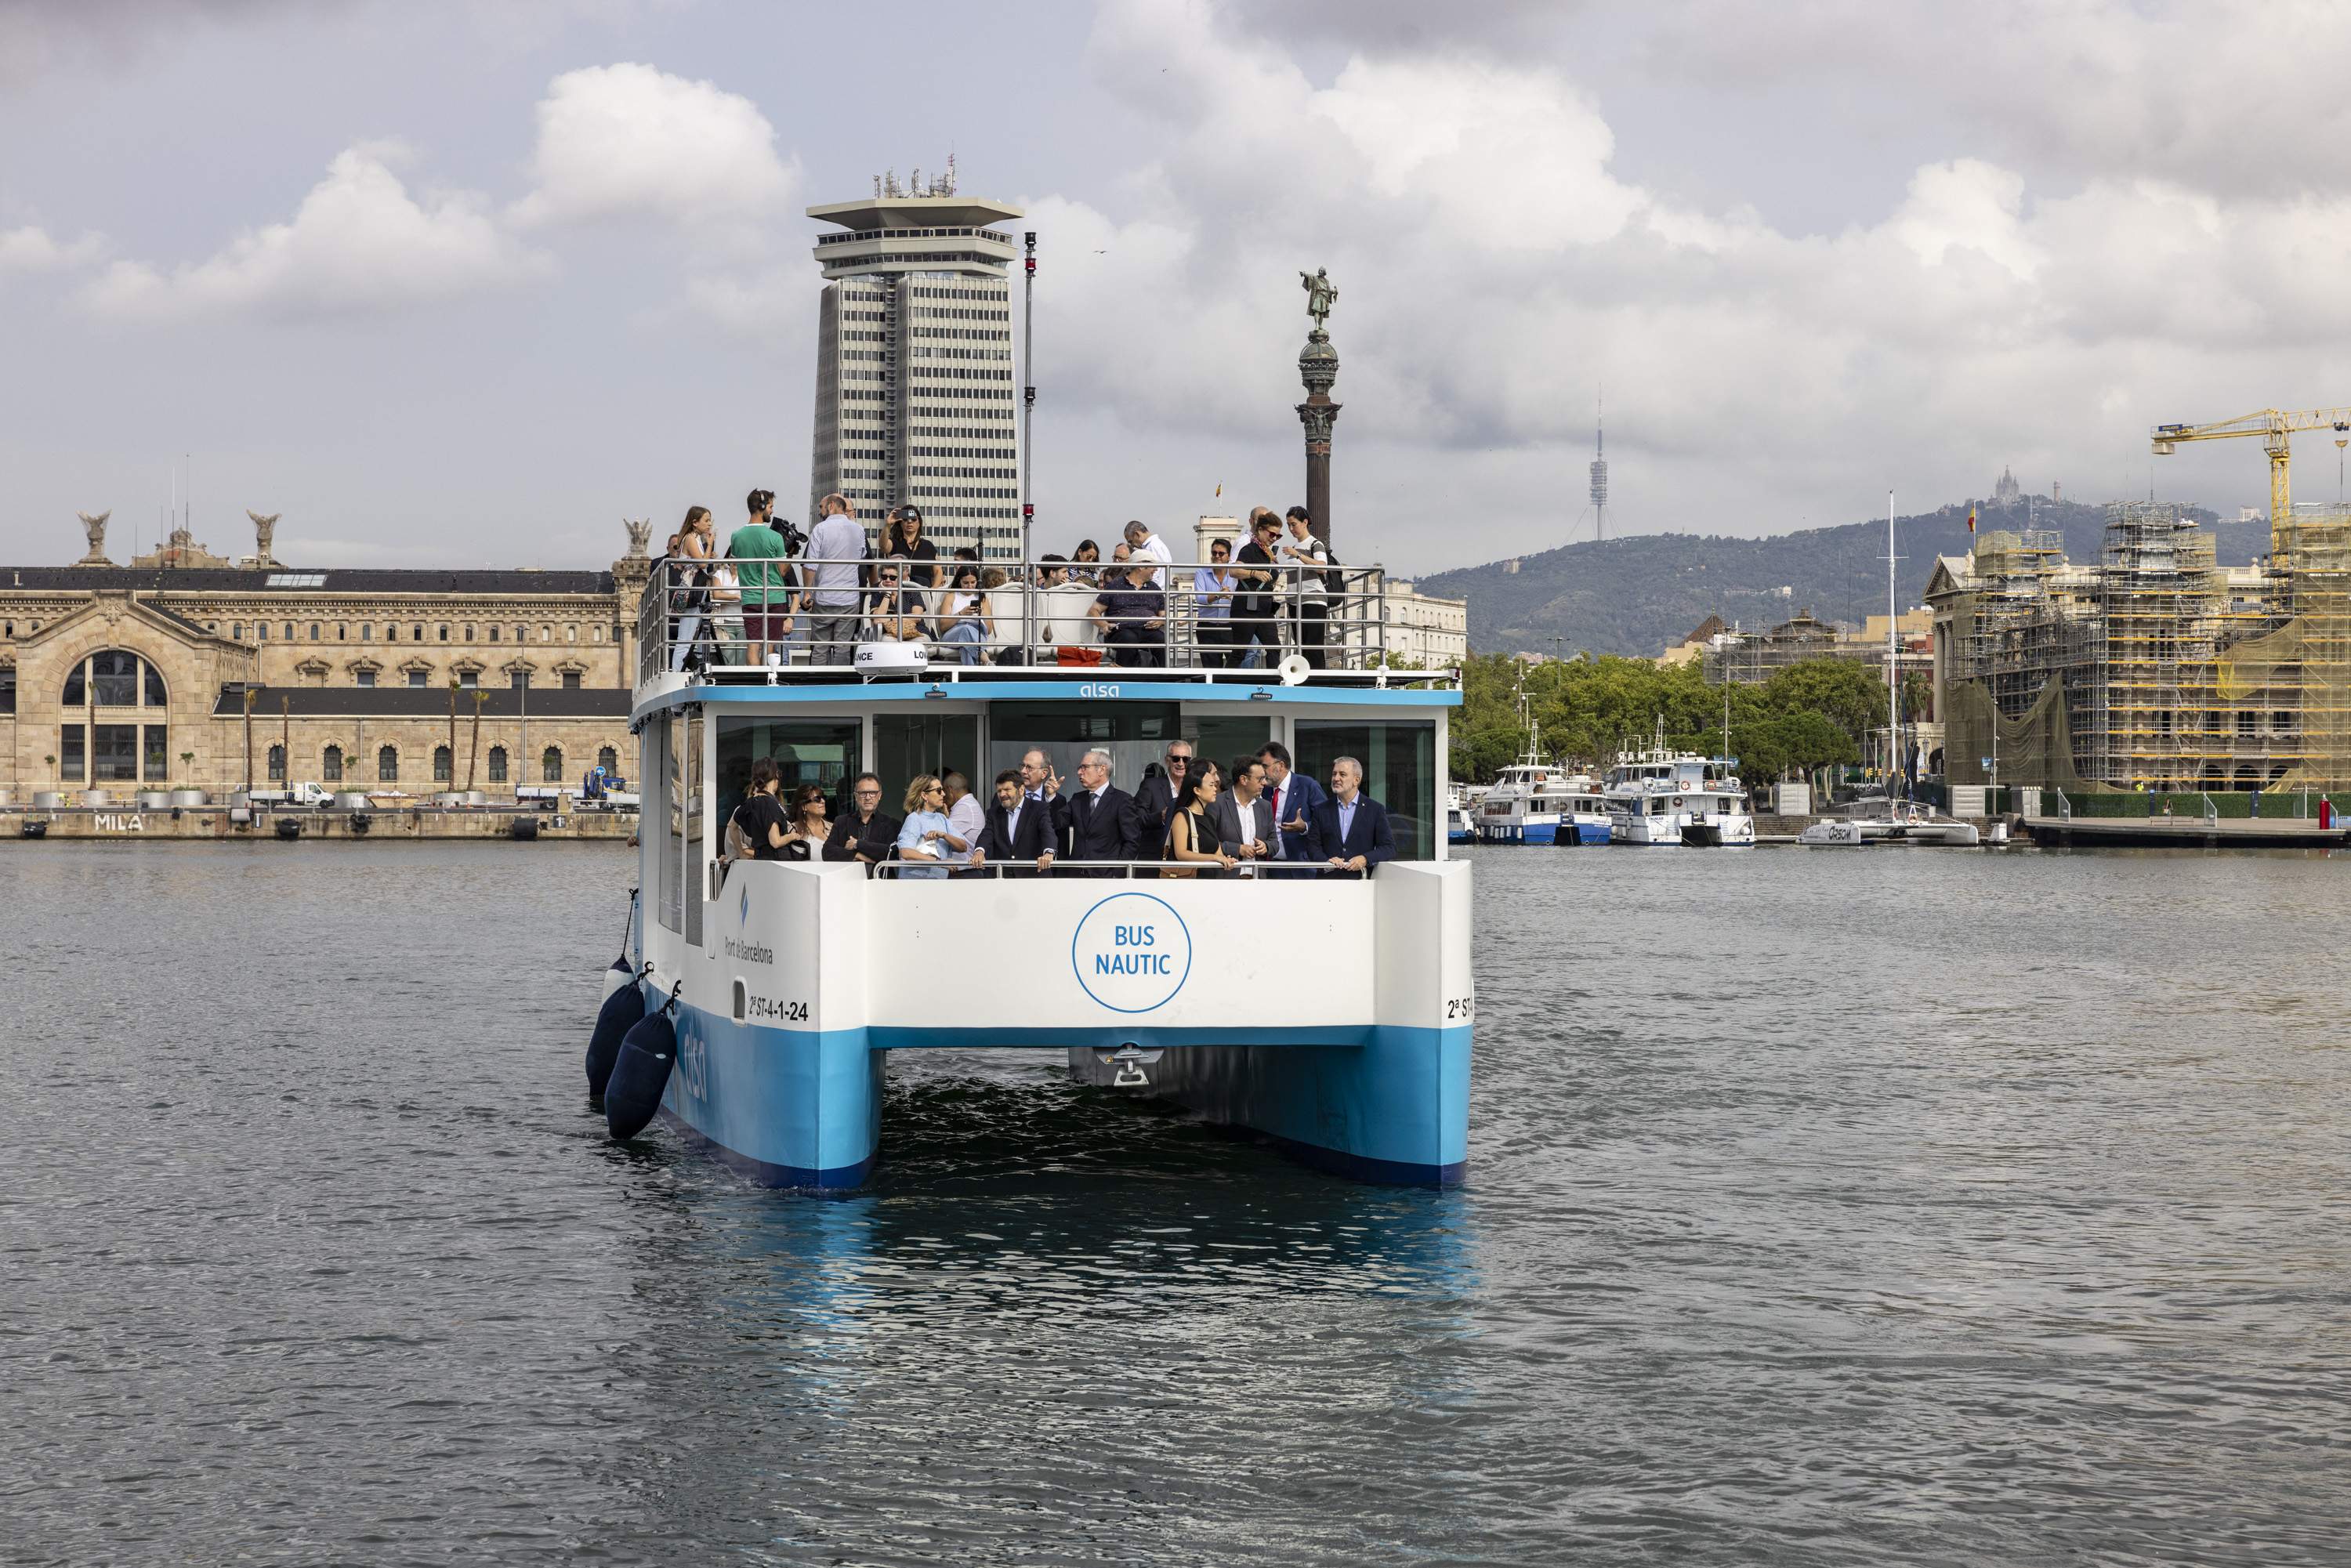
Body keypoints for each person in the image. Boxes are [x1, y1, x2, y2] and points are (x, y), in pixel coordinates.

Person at [801, 493, 867, 666]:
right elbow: (862, 557)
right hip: (849, 598)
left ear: (831, 506)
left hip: (824, 598)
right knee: (843, 648)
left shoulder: (820, 529)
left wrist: (807, 593)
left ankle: (818, 684)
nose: (821, 512)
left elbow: (810, 566)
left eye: (822, 507)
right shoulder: (858, 530)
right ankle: (840, 684)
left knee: (820, 647)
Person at [728, 489, 792, 667]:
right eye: (771, 506)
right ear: (762, 506)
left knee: (753, 644)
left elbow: (736, 562)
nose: (772, 511)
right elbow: (783, 572)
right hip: (774, 597)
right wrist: (790, 555)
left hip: (750, 598)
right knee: (769, 646)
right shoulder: (775, 537)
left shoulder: (736, 536)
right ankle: (767, 681)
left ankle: (754, 680)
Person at [1055, 748, 1139, 876]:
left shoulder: (1122, 800)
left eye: (1084, 767)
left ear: (1101, 769)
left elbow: (1132, 841)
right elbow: (1057, 822)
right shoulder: (1078, 799)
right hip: (1075, 876)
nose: (1079, 772)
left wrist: (1116, 873)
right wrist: (1051, 797)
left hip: (1106, 877)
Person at [1307, 754, 1394, 877]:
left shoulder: (1375, 810)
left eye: (1342, 774)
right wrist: (1327, 862)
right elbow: (1312, 846)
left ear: (1356, 780)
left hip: (1361, 883)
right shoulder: (1321, 810)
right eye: (1334, 774)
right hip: (1327, 883)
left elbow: (1388, 848)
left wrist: (1365, 859)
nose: (1336, 778)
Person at [1259, 740, 1328, 868]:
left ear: (1281, 765)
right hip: (1270, 866)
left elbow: (1327, 821)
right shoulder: (1265, 790)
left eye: (1265, 766)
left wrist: (1305, 827)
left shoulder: (1307, 785)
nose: (1262, 772)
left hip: (1300, 865)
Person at [1230, 509, 1284, 670]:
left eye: (1278, 536)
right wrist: (1254, 573)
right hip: (1246, 607)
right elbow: (1232, 571)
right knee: (1240, 652)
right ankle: (1223, 683)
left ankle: (1274, 685)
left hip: (1264, 609)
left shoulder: (1269, 554)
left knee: (1274, 648)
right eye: (1271, 534)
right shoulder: (1249, 549)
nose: (1274, 539)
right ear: (1260, 530)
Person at [1163, 762, 1237, 878]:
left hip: (1208, 882)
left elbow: (1218, 853)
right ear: (1197, 790)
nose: (1215, 789)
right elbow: (1181, 853)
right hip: (1188, 883)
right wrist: (1214, 858)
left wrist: (1225, 859)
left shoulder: (1208, 818)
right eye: (1211, 785)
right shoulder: (1182, 815)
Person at [976, 767, 1056, 875]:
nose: (1002, 794)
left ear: (1021, 790)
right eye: (999, 791)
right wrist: (979, 851)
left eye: (1007, 790)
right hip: (1004, 880)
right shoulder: (994, 813)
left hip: (1034, 878)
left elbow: (1047, 831)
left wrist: (1048, 853)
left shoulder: (1039, 808)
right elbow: (986, 834)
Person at [1281, 505, 1332, 669]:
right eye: (1289, 525)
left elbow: (1322, 567)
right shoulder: (1294, 548)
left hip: (1312, 599)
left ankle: (1317, 681)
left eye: (1294, 524)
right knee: (1301, 644)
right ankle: (1305, 677)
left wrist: (1299, 556)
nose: (1291, 529)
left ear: (1305, 522)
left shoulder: (1315, 544)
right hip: (1295, 601)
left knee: (1313, 645)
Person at [1208, 753, 1276, 875]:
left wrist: (1266, 846)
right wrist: (1238, 849)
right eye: (1260, 779)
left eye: (1265, 778)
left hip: (1258, 879)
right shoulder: (1217, 803)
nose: (1264, 783)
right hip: (1227, 879)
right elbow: (1207, 844)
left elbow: (1275, 842)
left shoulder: (1265, 806)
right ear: (1244, 780)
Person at [1091, 560, 1166, 668]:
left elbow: (1163, 615)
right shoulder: (1115, 585)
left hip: (1147, 629)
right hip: (1121, 630)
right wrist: (1104, 625)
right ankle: (1124, 674)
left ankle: (1161, 675)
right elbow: (1094, 610)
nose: (1156, 569)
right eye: (1153, 566)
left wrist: (1160, 621)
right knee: (1128, 638)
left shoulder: (1154, 588)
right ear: (1141, 567)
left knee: (1160, 638)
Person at [823, 771, 900, 876]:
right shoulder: (841, 822)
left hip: (881, 884)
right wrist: (857, 855)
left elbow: (891, 853)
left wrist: (857, 844)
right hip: (848, 883)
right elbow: (827, 852)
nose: (868, 797)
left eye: (873, 793)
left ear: (880, 795)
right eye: (863, 793)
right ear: (855, 796)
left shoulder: (892, 824)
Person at [669, 505, 716, 672]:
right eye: (706, 520)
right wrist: (709, 545)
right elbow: (702, 563)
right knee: (686, 636)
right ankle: (677, 671)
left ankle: (682, 669)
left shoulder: (693, 538)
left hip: (696, 589)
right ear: (695, 522)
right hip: (692, 591)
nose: (709, 524)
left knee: (689, 635)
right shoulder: (690, 538)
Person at [1132, 739, 1193, 865]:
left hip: (1185, 861)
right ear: (1167, 760)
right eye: (1176, 758)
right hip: (1155, 860)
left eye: (1185, 759)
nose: (1181, 763)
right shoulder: (1150, 786)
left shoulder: (1194, 789)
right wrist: (1161, 817)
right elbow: (1135, 819)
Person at [894, 773, 958, 879]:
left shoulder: (941, 818)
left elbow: (963, 846)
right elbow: (906, 852)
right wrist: (939, 863)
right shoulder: (914, 818)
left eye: (942, 790)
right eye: (938, 790)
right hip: (916, 885)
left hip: (937, 884)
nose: (943, 794)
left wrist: (944, 835)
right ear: (924, 795)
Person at [729, 756, 792, 860]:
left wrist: (741, 852)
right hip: (776, 861)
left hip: (759, 859)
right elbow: (775, 842)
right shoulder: (771, 804)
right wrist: (793, 836)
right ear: (776, 775)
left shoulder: (750, 802)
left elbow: (732, 826)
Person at [936, 563, 995, 665]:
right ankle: (984, 658)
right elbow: (943, 626)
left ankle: (971, 677)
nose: (970, 586)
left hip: (977, 633)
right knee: (965, 629)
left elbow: (989, 630)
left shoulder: (982, 599)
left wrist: (983, 615)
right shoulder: (950, 597)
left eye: (973, 582)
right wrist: (961, 614)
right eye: (966, 583)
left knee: (966, 646)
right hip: (953, 634)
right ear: (959, 581)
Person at [1192, 539, 1237, 668]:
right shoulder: (1202, 572)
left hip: (1231, 627)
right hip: (1208, 627)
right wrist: (1219, 594)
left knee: (1234, 669)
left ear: (1229, 556)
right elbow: (1200, 598)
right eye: (1214, 553)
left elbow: (1241, 599)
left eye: (1221, 553)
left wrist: (1230, 596)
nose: (1217, 556)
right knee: (1211, 670)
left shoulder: (1235, 574)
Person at [867, 559, 929, 643]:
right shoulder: (878, 595)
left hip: (917, 631)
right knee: (887, 641)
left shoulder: (912, 592)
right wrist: (887, 593)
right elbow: (877, 620)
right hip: (890, 633)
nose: (888, 580)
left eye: (892, 578)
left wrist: (890, 619)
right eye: (884, 577)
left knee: (918, 642)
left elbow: (916, 617)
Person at [882, 506, 940, 590]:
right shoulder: (894, 543)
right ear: (900, 522)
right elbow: (883, 546)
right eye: (905, 519)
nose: (909, 522)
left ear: (919, 522)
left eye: (913, 519)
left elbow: (938, 571)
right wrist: (888, 524)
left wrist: (934, 590)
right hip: (899, 592)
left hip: (923, 592)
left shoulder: (928, 545)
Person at [941, 769, 985, 867]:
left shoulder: (965, 807)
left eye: (943, 791)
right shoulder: (967, 804)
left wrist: (943, 818)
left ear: (949, 790)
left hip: (966, 872)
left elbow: (942, 834)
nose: (943, 795)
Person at [777, 781, 828, 860]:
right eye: (817, 799)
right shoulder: (792, 830)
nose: (823, 801)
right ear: (804, 806)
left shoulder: (835, 827)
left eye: (823, 797)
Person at [1123, 519, 1171, 588]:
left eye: (1131, 541)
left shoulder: (1153, 546)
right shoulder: (1154, 545)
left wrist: (1149, 591)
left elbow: (1155, 574)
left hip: (1156, 593)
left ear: (1137, 534)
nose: (1132, 545)